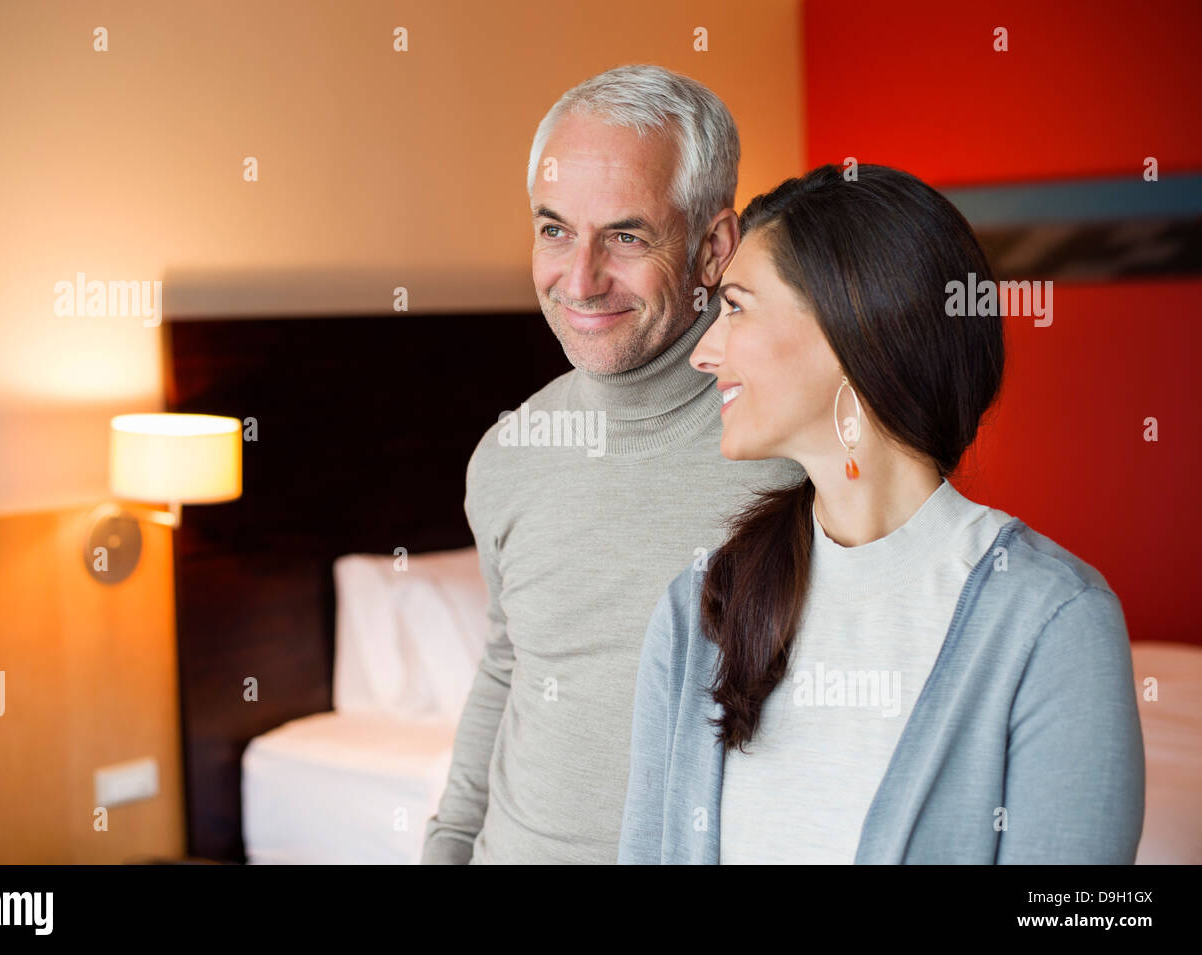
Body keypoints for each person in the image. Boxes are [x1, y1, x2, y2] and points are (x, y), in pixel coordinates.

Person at [618, 163, 1146, 864]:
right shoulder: (697, 612)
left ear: (853, 323)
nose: (706, 353)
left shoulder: (1054, 620)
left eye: (736, 307)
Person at [420, 65, 803, 864]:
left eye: (626, 236)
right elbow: (510, 663)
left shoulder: (796, 452)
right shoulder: (507, 454)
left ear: (713, 248)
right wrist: (448, 845)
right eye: (554, 229)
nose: (581, 279)